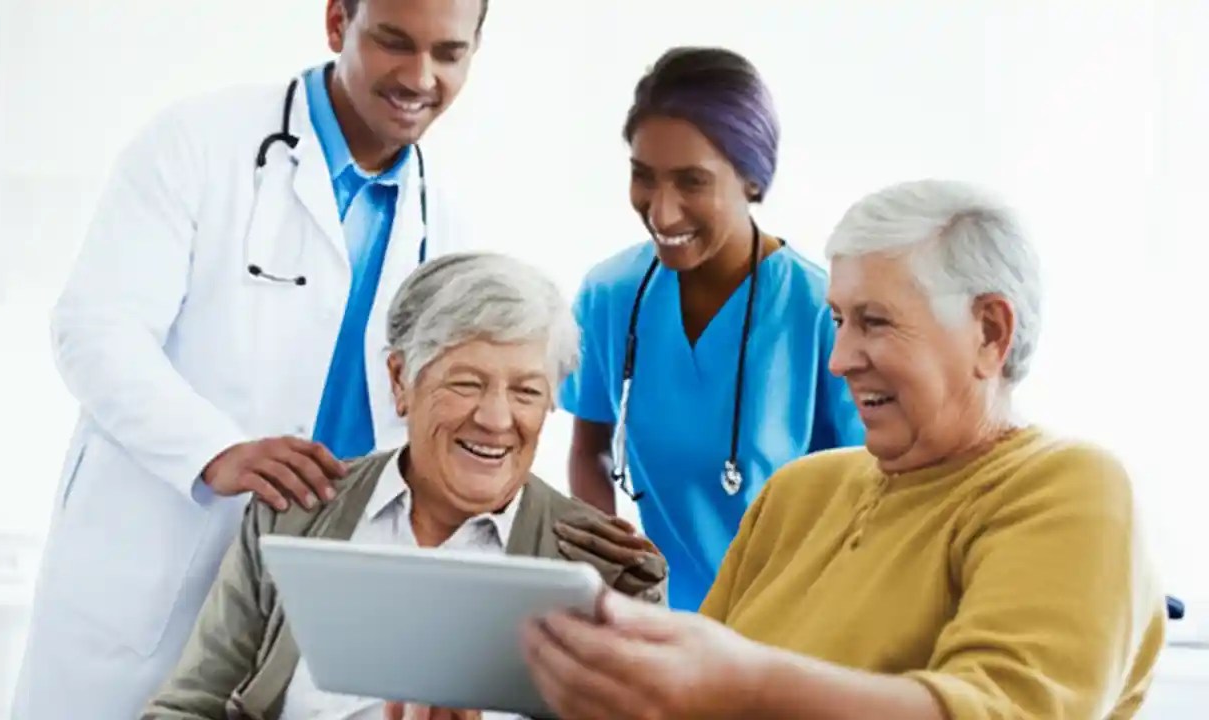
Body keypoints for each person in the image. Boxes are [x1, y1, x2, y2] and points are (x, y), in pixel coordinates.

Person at [522, 179, 1167, 719]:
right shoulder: (800, 493)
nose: (839, 361)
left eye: (875, 322)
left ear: (990, 333)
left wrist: (747, 684)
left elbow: (998, 711)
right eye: (837, 319)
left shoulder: (1068, 489)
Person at [12, 1, 496, 717]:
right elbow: (95, 328)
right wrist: (217, 448)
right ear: (338, 23)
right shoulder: (199, 144)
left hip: (309, 607)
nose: (420, 77)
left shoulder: (445, 223)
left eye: (448, 54)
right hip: (155, 578)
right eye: (394, 43)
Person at [142, 253, 668, 719]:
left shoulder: (602, 567)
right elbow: (189, 706)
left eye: (527, 391)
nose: (495, 418)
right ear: (400, 381)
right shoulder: (296, 512)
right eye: (466, 383)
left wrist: (642, 620)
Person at [560, 46, 864, 611]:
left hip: (785, 621)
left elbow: (866, 498)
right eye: (643, 177)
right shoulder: (609, 295)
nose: (662, 211)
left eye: (692, 182)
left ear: (753, 179)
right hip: (655, 620)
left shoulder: (821, 311)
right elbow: (589, 449)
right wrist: (612, 558)